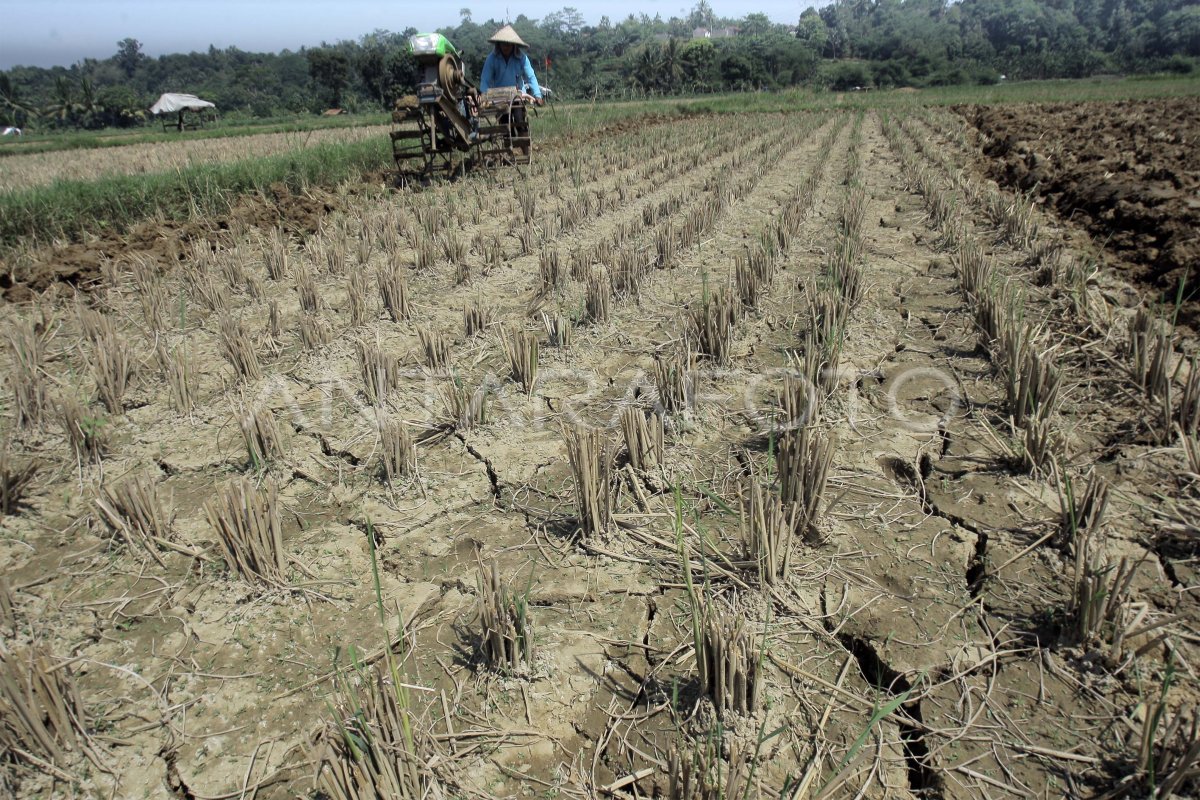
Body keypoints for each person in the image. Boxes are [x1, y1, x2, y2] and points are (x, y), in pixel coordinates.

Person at [479, 25, 544, 106]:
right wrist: (484, 96)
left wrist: (537, 95)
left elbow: (531, 77)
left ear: (514, 45)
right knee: (503, 118)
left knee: (519, 115)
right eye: (503, 44)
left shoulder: (522, 58)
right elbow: (485, 80)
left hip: (518, 96)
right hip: (499, 97)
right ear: (499, 44)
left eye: (509, 44)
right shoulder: (491, 59)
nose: (506, 47)